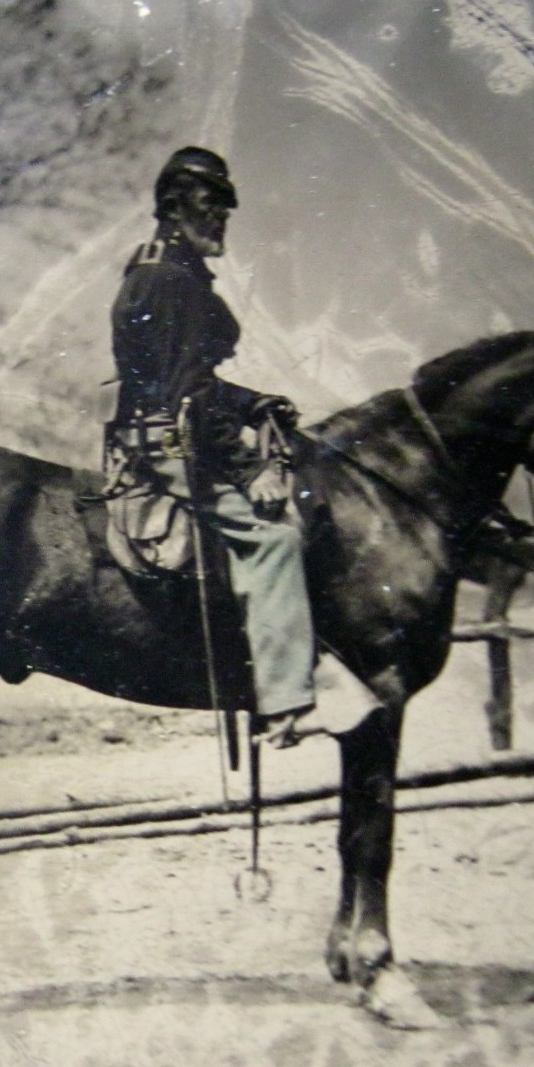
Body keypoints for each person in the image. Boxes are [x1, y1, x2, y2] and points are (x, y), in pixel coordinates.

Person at [109, 146, 321, 744]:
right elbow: (189, 396)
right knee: (276, 540)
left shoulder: (157, 269)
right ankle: (283, 701)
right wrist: (250, 469)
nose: (222, 214)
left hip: (155, 429)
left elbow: (182, 379)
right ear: (175, 207)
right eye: (210, 202)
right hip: (168, 443)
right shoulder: (171, 280)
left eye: (226, 204)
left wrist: (252, 403)